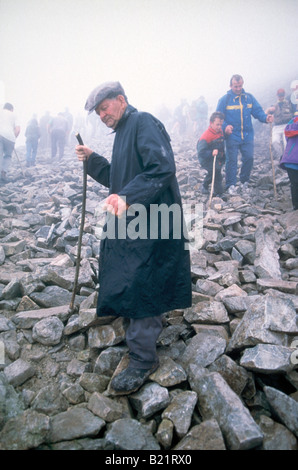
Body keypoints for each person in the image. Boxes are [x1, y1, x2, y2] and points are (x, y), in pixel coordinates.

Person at [75, 81, 192, 394]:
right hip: (135, 218)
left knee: (142, 280)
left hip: (152, 220)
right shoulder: (125, 131)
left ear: (121, 100)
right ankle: (141, 333)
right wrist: (93, 160)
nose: (102, 115)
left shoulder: (142, 122)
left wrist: (129, 196)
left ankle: (143, 359)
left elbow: (162, 167)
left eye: (105, 107)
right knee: (133, 274)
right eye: (98, 112)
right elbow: (120, 177)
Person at [216, 74, 273, 195]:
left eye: (240, 86)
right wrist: (225, 126)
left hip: (247, 135)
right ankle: (231, 184)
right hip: (232, 135)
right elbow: (218, 117)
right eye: (236, 86)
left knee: (249, 158)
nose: (238, 88)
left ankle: (244, 181)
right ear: (230, 85)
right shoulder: (224, 99)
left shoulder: (249, 98)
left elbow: (258, 112)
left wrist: (265, 118)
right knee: (232, 160)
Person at [197, 111, 225, 196]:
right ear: (211, 123)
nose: (219, 127)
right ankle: (218, 193)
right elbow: (201, 152)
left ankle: (205, 185)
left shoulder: (220, 131)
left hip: (217, 157)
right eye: (217, 124)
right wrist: (211, 153)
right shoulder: (205, 136)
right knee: (216, 173)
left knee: (215, 171)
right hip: (206, 158)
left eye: (221, 125)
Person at [268, 88, 294, 159]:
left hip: (287, 125)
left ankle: (287, 158)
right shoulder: (273, 106)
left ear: (284, 95)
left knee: (286, 143)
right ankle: (281, 156)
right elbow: (267, 113)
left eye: (282, 95)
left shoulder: (289, 103)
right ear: (277, 96)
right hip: (277, 126)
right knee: (275, 141)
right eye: (280, 95)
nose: (281, 97)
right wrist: (269, 113)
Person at [280, 115, 298, 211]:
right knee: (295, 184)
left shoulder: (293, 121)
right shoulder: (294, 120)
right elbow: (287, 132)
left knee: (295, 184)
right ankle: (296, 208)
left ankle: (296, 208)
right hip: (292, 161)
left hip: (290, 160)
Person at [0, 103, 20, 183]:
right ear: (11, 109)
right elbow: (18, 129)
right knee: (8, 156)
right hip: (10, 138)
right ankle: (3, 172)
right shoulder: (13, 115)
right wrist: (13, 138)